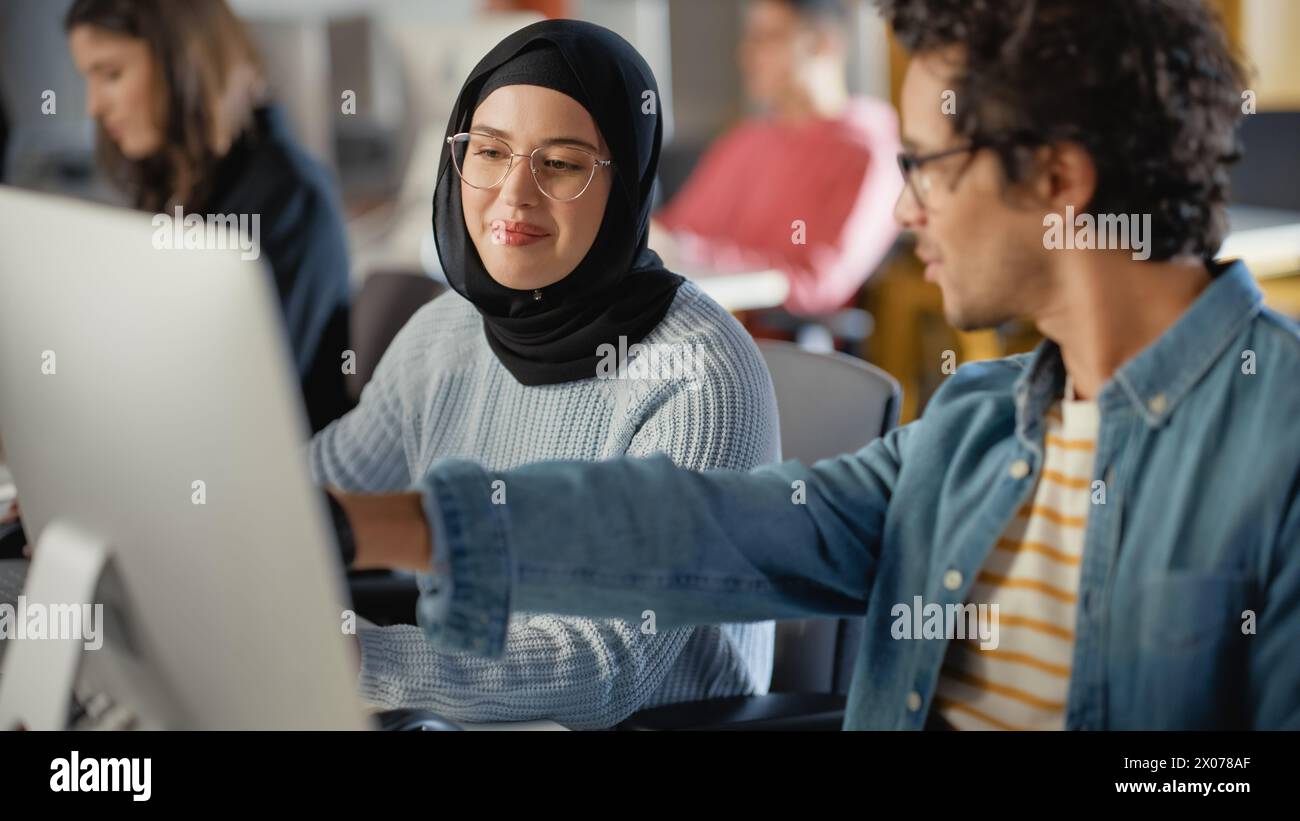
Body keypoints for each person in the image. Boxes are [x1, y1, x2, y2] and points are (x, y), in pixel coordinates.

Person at [328, 0, 1300, 730]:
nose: (904, 207)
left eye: (923, 164)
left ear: (1055, 179)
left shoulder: (1278, 445)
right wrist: (383, 523)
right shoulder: (973, 427)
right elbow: (707, 528)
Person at [313, 20, 779, 729]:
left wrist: (355, 662)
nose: (513, 194)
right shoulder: (445, 334)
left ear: (624, 181)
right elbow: (321, 492)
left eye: (560, 164)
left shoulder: (699, 375)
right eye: (490, 152)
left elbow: (612, 666)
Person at [65, 0, 353, 432]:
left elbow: (233, 405)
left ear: (182, 63)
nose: (93, 107)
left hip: (266, 480)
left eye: (111, 74)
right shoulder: (175, 182)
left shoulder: (292, 198)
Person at [654, 0, 903, 318]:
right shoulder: (747, 139)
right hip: (700, 326)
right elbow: (674, 232)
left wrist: (685, 250)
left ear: (824, 43)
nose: (746, 55)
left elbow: (819, 282)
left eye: (767, 37)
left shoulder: (866, 150)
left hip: (782, 351)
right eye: (750, 38)